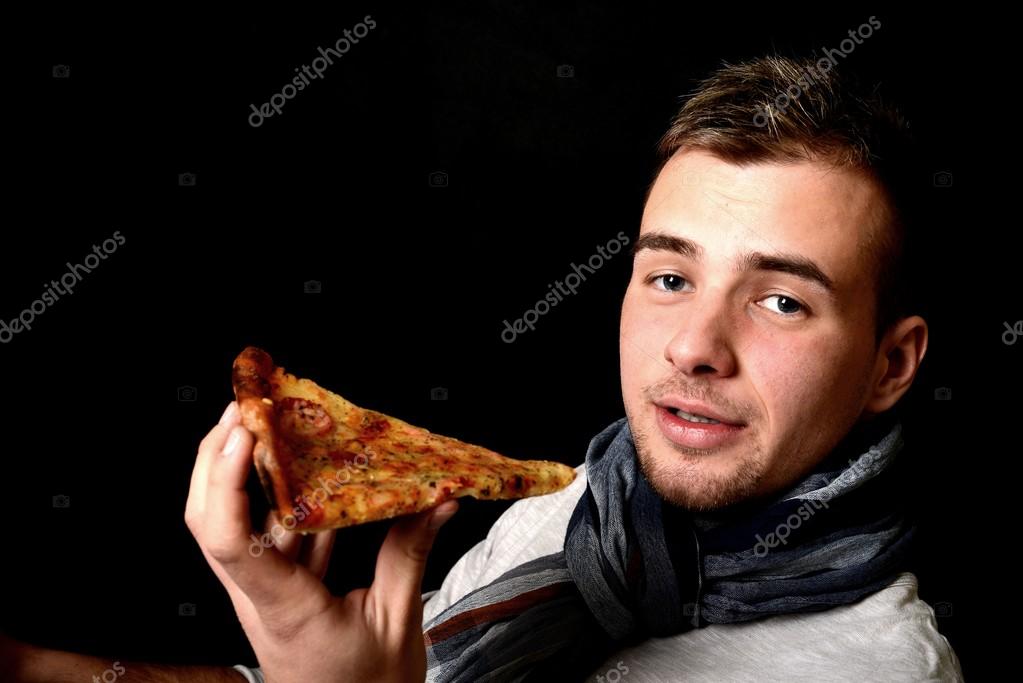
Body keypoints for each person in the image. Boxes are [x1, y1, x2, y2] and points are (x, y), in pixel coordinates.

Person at [4, 55, 963, 682]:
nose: (691, 346)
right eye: (669, 275)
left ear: (889, 364)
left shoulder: (874, 670)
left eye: (781, 300)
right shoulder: (582, 512)